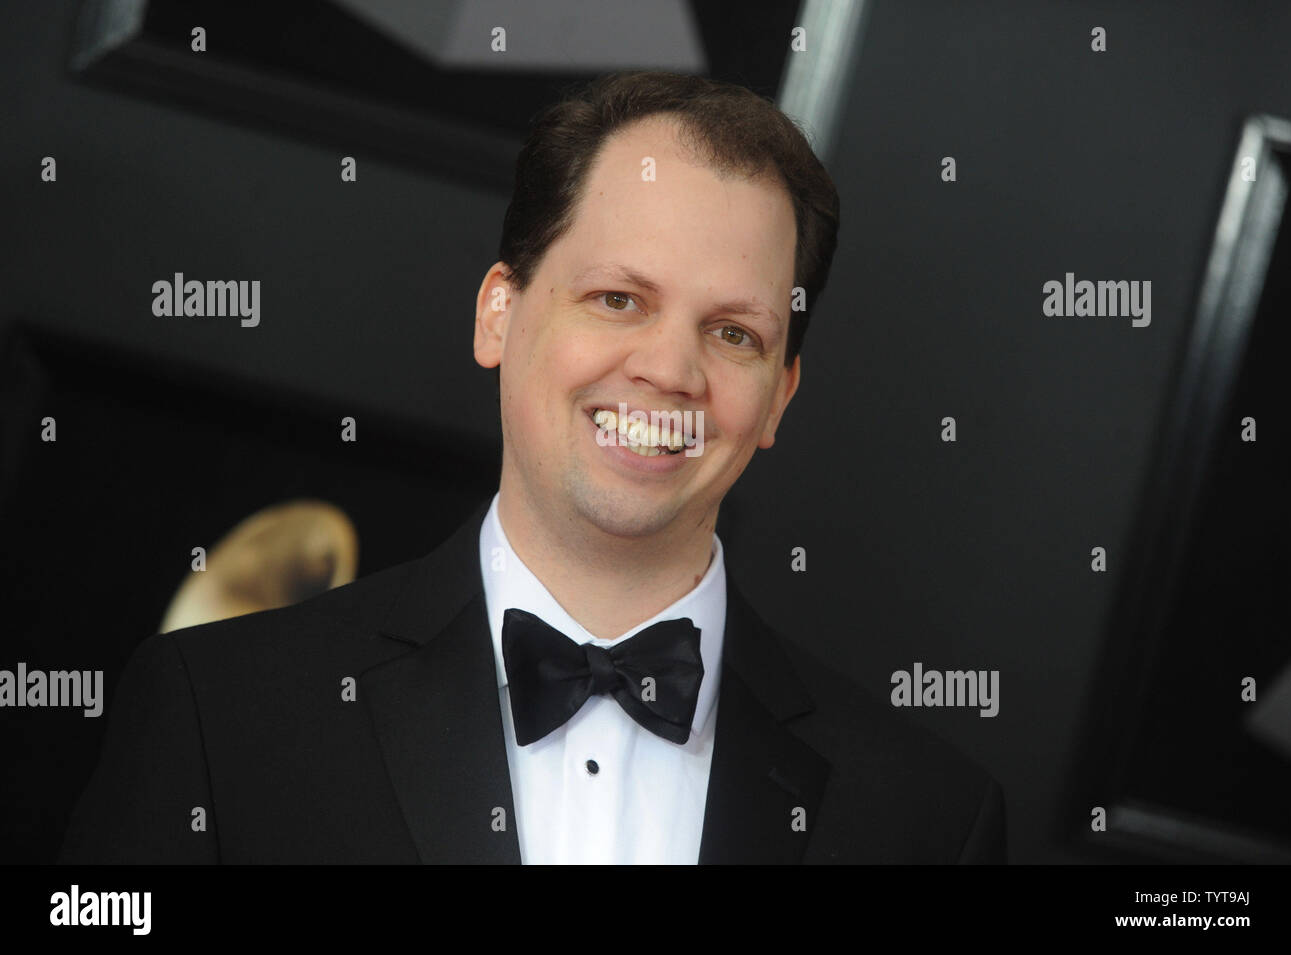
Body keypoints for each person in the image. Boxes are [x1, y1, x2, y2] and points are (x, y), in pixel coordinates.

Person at [59, 70, 1006, 864]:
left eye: (732, 332)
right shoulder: (217, 714)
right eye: (618, 299)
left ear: (780, 396)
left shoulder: (928, 821)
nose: (670, 371)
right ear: (498, 314)